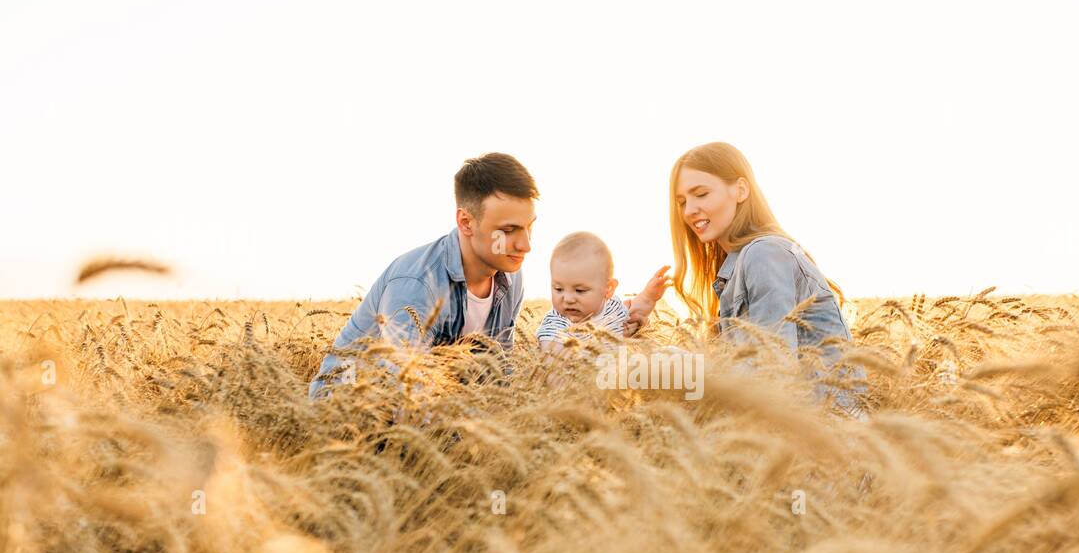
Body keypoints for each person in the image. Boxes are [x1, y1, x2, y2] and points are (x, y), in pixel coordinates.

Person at [648, 141, 866, 413]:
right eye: (682, 202)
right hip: (797, 433)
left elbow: (774, 370)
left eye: (701, 194)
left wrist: (686, 370)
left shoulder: (764, 253)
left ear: (740, 190)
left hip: (823, 435)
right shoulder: (736, 267)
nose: (689, 210)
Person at [308, 152, 538, 398]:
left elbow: (498, 372)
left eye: (529, 227)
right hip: (348, 408)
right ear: (466, 222)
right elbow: (406, 392)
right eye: (508, 230)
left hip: (435, 409)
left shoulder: (511, 276)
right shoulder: (417, 285)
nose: (525, 245)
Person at [535, 231, 670, 352]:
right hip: (587, 377)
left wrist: (649, 296)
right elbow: (554, 365)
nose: (568, 299)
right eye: (558, 289)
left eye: (580, 290)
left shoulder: (612, 308)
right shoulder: (556, 325)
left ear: (608, 289)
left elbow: (636, 312)